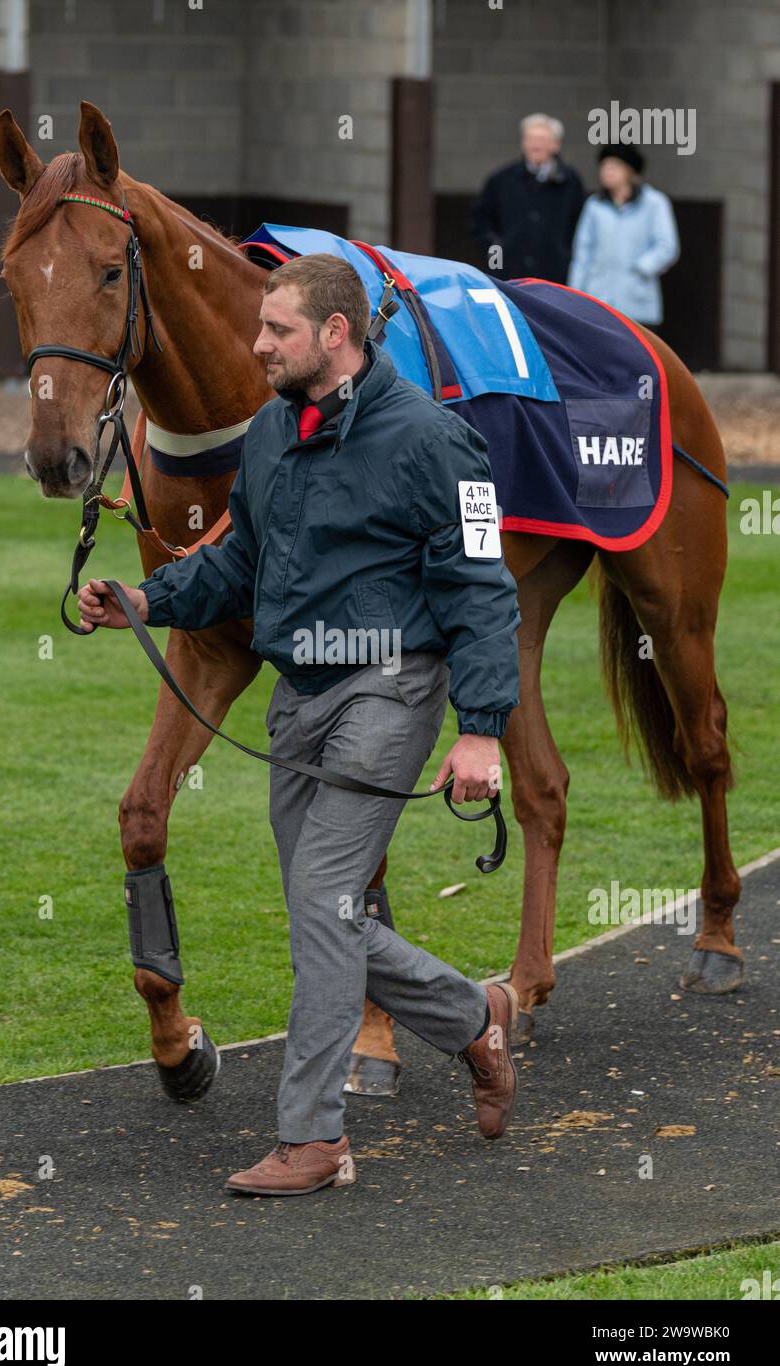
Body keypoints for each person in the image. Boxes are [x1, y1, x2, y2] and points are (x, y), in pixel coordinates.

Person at [77, 253, 522, 1197]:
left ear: (335, 334)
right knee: (332, 916)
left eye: (276, 329)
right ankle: (475, 1014)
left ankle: (315, 1138)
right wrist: (146, 599)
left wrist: (480, 730)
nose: (257, 343)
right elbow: (240, 559)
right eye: (261, 327)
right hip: (300, 698)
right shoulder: (275, 433)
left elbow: (484, 591)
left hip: (391, 691)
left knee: (323, 898)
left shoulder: (437, 441)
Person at [567, 144, 679, 328]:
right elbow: (582, 253)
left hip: (637, 302)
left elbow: (666, 246)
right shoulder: (594, 205)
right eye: (604, 166)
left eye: (614, 167)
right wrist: (573, 294)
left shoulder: (654, 203)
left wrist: (640, 268)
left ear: (630, 172)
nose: (607, 172)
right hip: (597, 299)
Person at [469, 113, 585, 282]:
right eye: (530, 139)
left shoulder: (570, 183)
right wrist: (497, 254)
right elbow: (480, 221)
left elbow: (580, 228)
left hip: (554, 277)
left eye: (542, 139)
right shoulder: (502, 180)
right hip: (509, 275)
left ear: (555, 145)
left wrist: (564, 256)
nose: (535, 144)